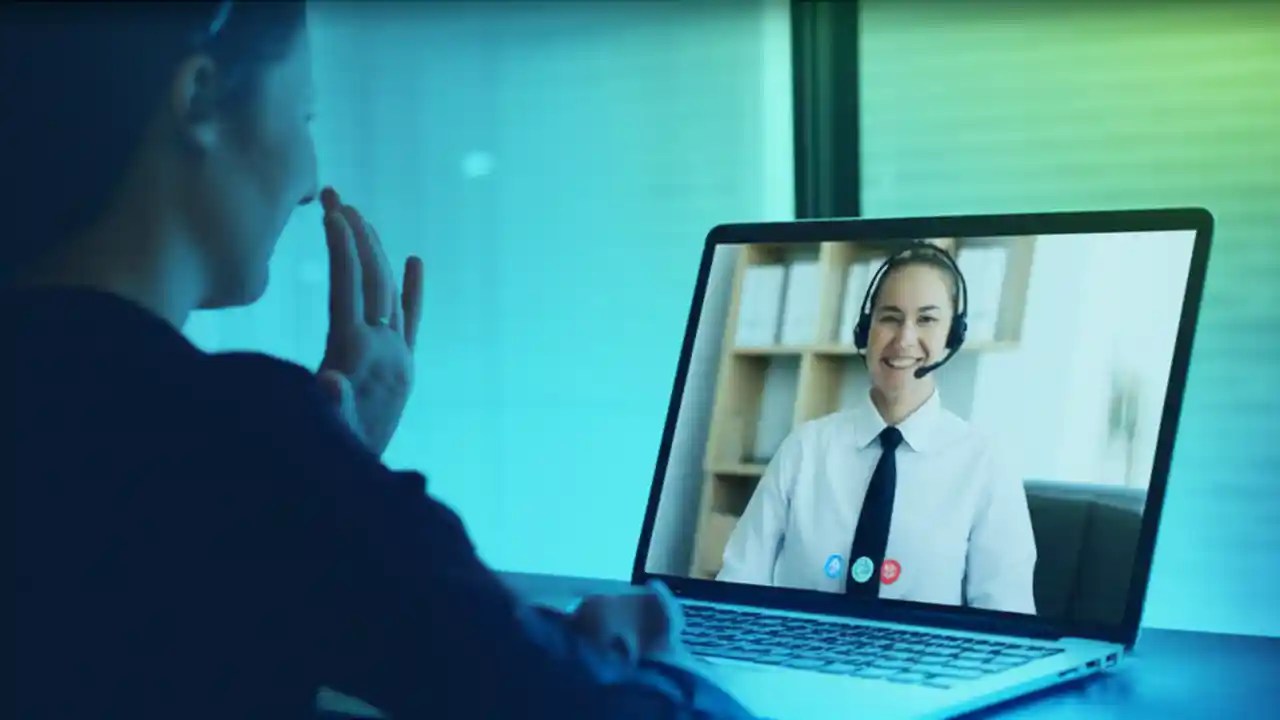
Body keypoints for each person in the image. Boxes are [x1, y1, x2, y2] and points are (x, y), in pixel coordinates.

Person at [6, 3, 755, 718]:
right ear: (200, 98)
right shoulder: (237, 438)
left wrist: (341, 461)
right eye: (302, 115)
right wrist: (656, 651)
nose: (308, 183)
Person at [717, 244, 1038, 615]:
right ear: (865, 330)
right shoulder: (805, 448)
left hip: (920, 667)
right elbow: (737, 582)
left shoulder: (986, 464)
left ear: (953, 336)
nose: (903, 339)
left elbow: (1005, 617)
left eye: (927, 320)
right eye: (890, 317)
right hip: (797, 656)